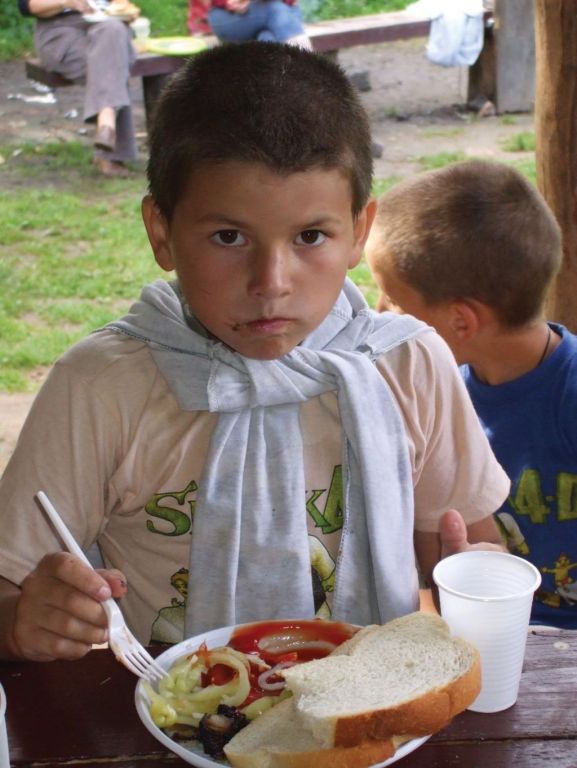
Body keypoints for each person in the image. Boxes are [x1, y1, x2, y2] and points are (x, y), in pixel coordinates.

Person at [0, 44, 508, 663]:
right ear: (161, 233)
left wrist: (474, 576)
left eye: (310, 237)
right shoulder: (103, 387)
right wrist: (25, 618)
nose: (272, 281)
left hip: (370, 727)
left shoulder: (409, 366)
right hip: (164, 724)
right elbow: (12, 589)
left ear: (360, 231)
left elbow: (464, 550)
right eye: (229, 236)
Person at [365, 159, 577, 629]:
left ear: (461, 320)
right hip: (485, 626)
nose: (378, 313)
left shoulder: (570, 395)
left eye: (393, 299)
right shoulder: (435, 396)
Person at [18, 0, 139, 178]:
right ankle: (108, 137)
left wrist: (125, 10)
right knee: (112, 62)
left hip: (106, 29)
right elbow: (27, 6)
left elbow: (116, 4)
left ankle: (107, 127)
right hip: (59, 33)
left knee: (113, 36)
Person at [207, 0, 311, 49]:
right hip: (227, 15)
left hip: (281, 11)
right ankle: (309, 72)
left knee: (267, 38)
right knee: (274, 10)